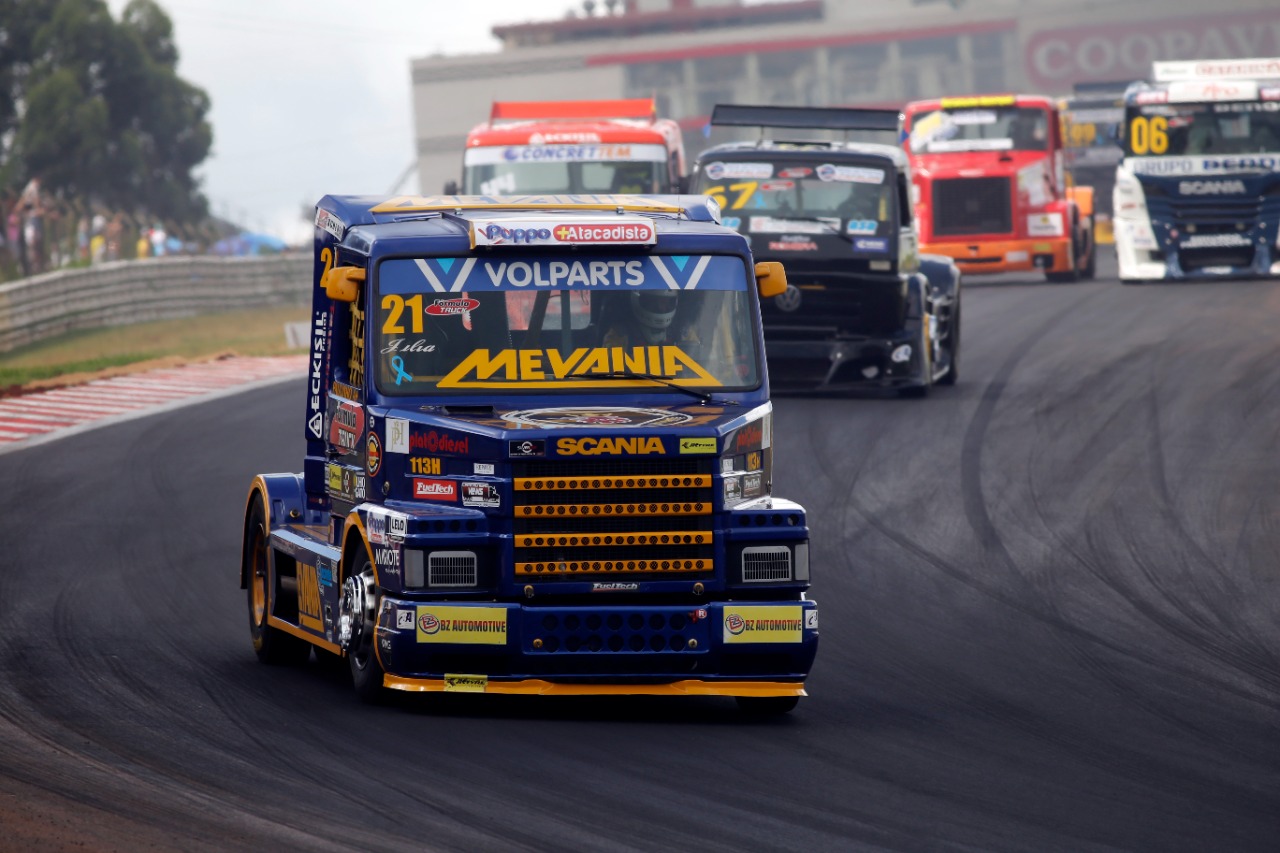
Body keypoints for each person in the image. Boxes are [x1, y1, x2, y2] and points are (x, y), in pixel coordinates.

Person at [602, 290, 698, 349]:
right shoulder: (619, 334)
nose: (662, 308)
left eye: (667, 302)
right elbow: (609, 367)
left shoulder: (683, 332)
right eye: (654, 302)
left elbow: (697, 361)